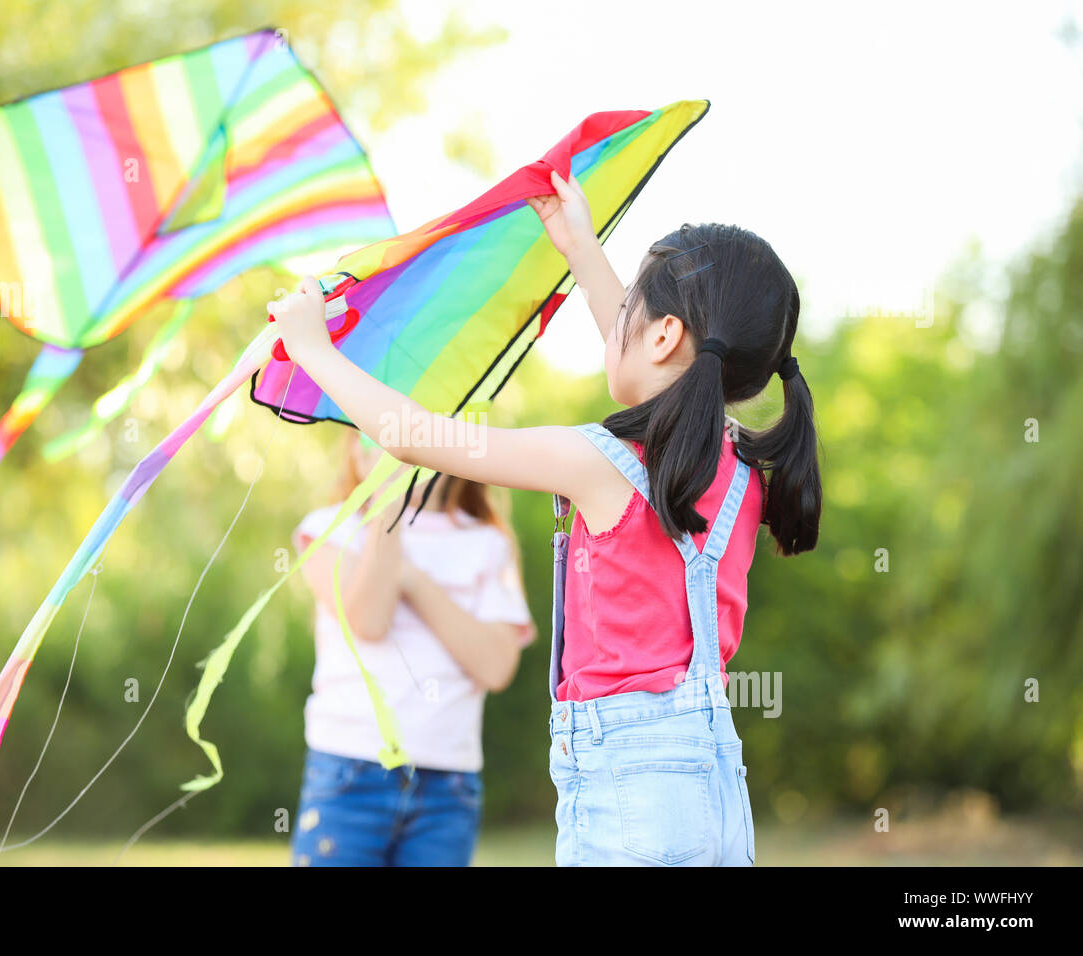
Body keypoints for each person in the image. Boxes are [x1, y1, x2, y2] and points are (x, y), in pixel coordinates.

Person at [270, 170, 821, 866]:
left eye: (626, 313)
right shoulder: (740, 468)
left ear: (662, 335)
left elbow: (414, 437)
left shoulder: (594, 462)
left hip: (625, 788)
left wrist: (315, 350)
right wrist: (581, 249)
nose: (611, 325)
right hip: (714, 790)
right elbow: (666, 368)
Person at [289, 433, 535, 866]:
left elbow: (496, 666)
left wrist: (412, 580)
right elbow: (368, 621)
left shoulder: (488, 545)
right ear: (353, 448)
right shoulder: (329, 529)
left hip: (447, 786)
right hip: (349, 772)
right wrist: (387, 506)